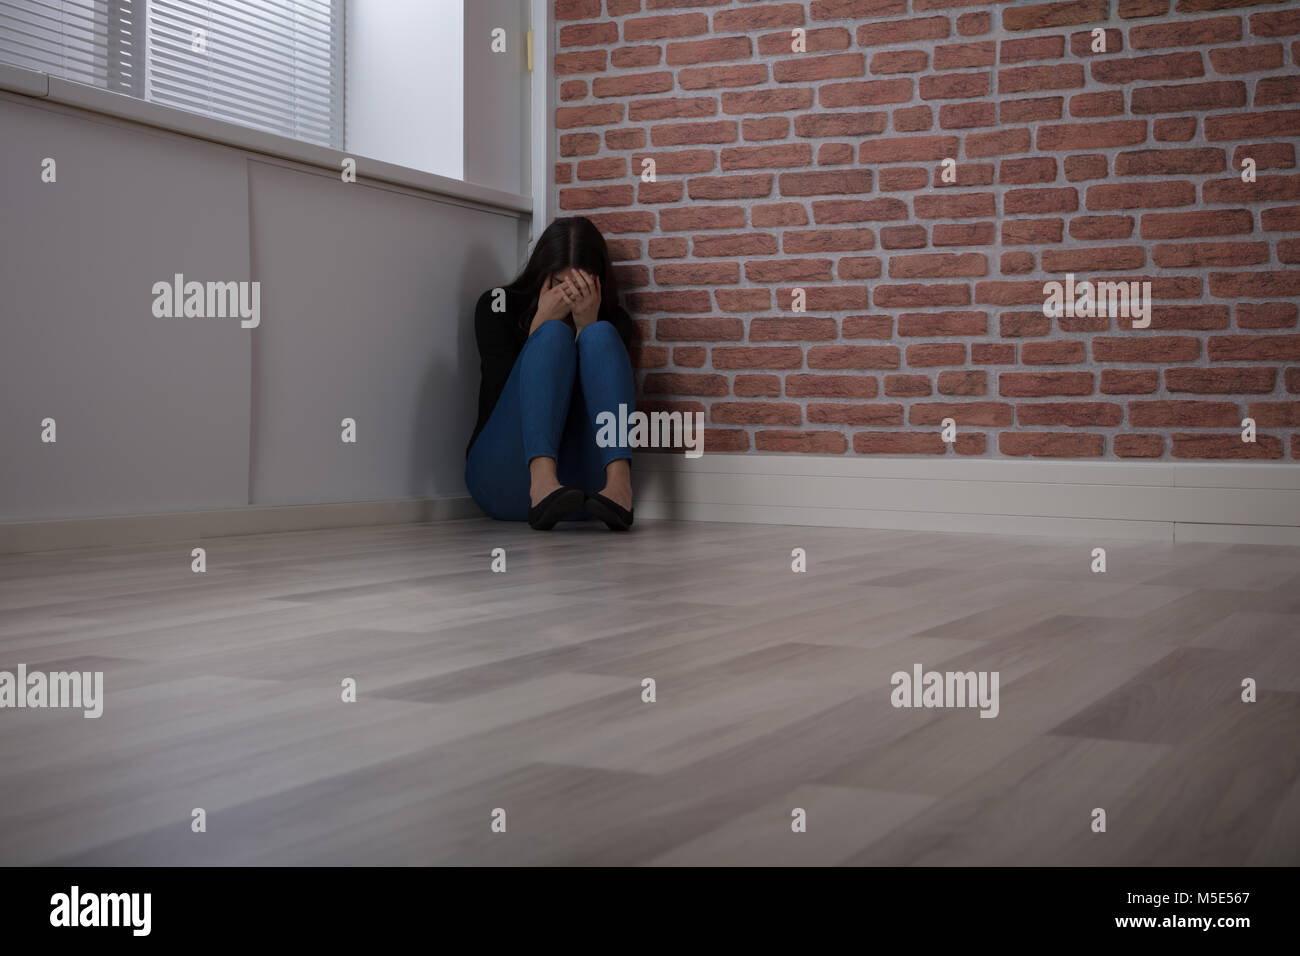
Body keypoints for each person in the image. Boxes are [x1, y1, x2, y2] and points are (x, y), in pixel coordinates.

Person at [465, 216, 638, 531]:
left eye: (581, 285)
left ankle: (620, 488)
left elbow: (602, 405)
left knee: (600, 336)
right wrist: (539, 330)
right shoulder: (497, 307)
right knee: (554, 335)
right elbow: (500, 398)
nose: (571, 295)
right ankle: (541, 482)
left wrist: (587, 325)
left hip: (585, 492)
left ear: (598, 283)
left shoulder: (615, 323)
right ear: (542, 277)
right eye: (561, 285)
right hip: (503, 475)